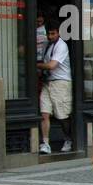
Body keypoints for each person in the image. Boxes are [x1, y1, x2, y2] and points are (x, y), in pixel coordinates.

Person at [37, 22, 72, 154]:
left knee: (62, 115)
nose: (50, 36)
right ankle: (45, 143)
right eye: (49, 34)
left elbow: (52, 65)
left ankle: (68, 138)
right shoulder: (48, 45)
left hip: (60, 83)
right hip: (48, 82)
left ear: (59, 33)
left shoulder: (61, 46)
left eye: (53, 33)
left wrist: (38, 66)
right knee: (44, 113)